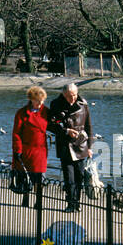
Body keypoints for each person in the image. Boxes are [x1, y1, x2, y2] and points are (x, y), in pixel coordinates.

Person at [47, 82, 94, 212]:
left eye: (74, 95)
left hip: (81, 144)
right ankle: (70, 203)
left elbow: (89, 126)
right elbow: (49, 125)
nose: (72, 98)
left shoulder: (83, 104)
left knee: (79, 176)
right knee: (69, 177)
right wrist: (66, 131)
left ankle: (77, 203)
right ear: (63, 94)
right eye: (69, 96)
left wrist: (90, 147)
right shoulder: (56, 104)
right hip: (65, 145)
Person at [11, 86, 54, 209]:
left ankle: (38, 201)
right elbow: (16, 133)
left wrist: (66, 130)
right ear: (31, 99)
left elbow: (55, 125)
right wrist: (17, 150)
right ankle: (25, 198)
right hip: (26, 149)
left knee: (39, 177)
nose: (40, 103)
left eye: (42, 100)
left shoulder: (46, 112)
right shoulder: (21, 113)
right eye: (37, 100)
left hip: (40, 150)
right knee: (25, 175)